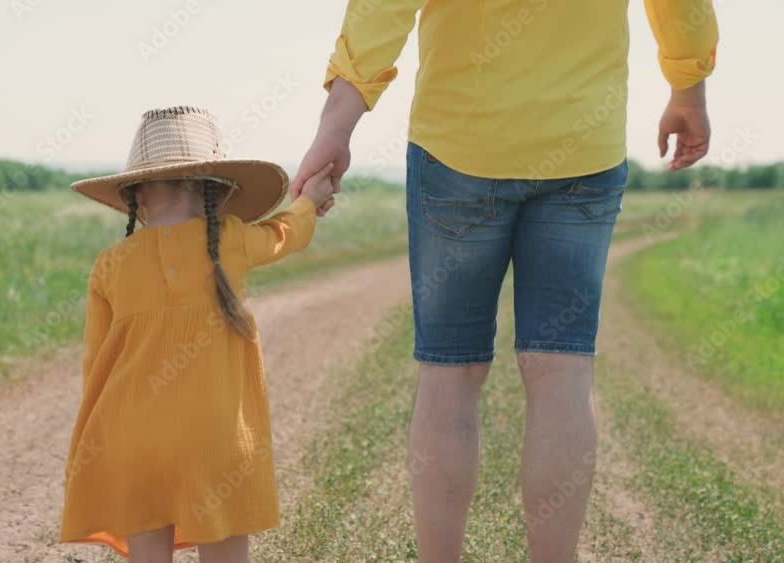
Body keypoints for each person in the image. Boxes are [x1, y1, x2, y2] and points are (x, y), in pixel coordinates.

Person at [291, 1, 718, 561]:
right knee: (562, 370)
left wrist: (337, 122)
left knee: (449, 374)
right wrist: (688, 88)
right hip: (582, 147)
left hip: (458, 146)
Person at [57, 106, 336, 562]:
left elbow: (96, 365)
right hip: (215, 441)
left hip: (133, 443)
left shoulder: (109, 264)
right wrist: (310, 200)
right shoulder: (230, 239)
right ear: (215, 194)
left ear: (136, 198)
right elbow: (288, 232)